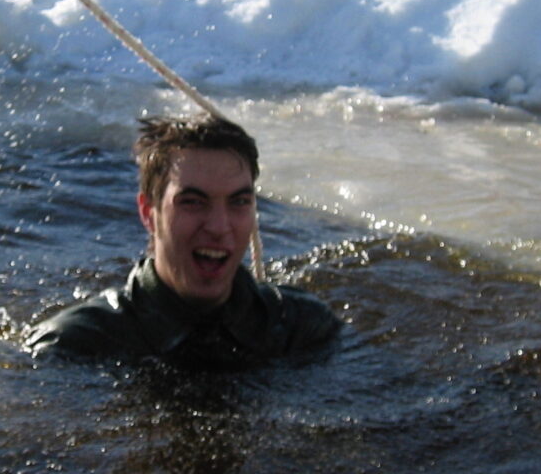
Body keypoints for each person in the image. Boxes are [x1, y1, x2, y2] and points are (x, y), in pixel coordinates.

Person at [26, 113, 342, 365]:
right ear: (149, 212)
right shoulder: (74, 347)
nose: (219, 227)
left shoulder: (302, 328)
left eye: (238, 202)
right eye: (192, 202)